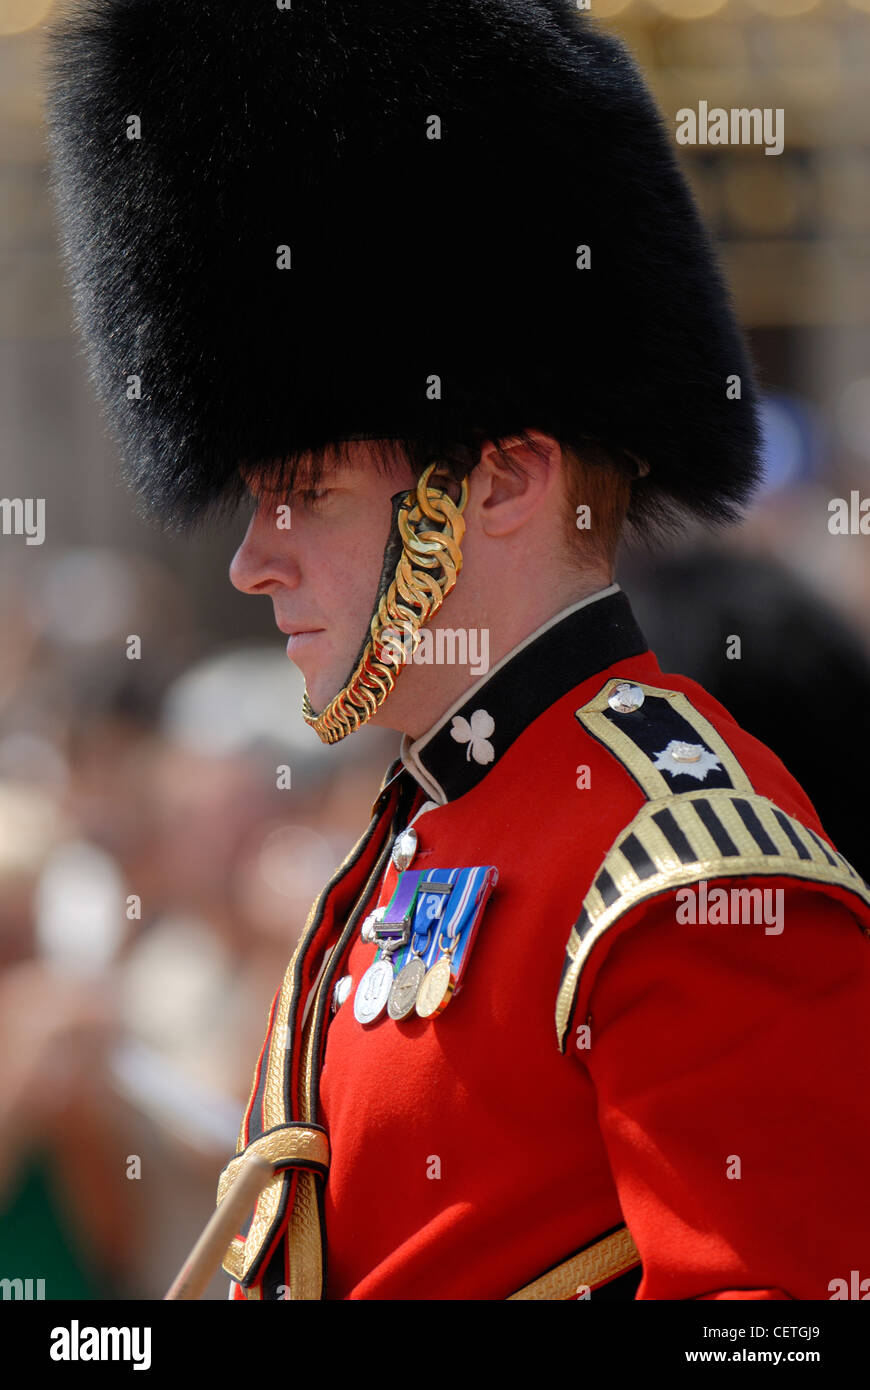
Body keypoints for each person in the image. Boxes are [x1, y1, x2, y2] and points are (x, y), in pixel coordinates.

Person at [46, 0, 870, 1300]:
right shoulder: (417, 830)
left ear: (501, 480)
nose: (249, 561)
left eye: (304, 493)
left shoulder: (683, 869)